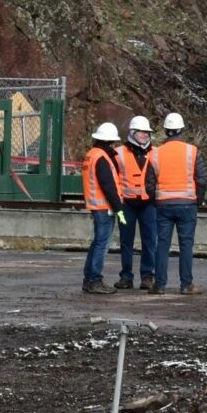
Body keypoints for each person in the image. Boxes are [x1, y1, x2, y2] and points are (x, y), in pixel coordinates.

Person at [148, 112, 205, 295]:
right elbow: (202, 179)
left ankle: (159, 285)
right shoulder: (192, 151)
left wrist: (155, 199)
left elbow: (149, 182)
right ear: (181, 130)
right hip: (188, 204)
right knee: (186, 245)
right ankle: (186, 285)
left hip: (164, 204)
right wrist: (199, 200)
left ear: (166, 130)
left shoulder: (155, 153)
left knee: (162, 244)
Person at [80, 122, 125, 295]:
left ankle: (90, 279)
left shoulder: (92, 154)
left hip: (96, 205)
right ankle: (94, 280)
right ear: (110, 142)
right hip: (104, 206)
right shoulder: (101, 158)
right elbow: (108, 186)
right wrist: (119, 208)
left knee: (97, 243)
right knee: (102, 244)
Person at [117, 115, 154, 289]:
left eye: (147, 132)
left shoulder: (155, 153)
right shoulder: (118, 153)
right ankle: (126, 276)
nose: (145, 135)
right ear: (132, 132)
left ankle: (147, 277)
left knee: (149, 241)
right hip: (126, 204)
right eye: (141, 132)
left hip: (149, 204)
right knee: (126, 241)